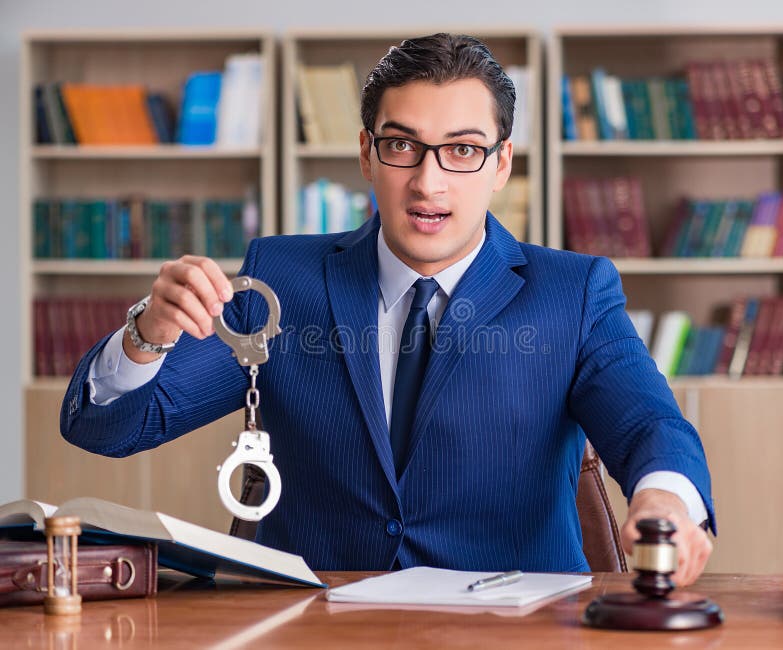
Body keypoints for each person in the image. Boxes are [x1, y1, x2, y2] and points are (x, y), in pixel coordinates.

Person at [62, 33, 714, 584]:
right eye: (402, 146)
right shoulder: (282, 279)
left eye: (462, 150)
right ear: (367, 155)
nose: (429, 182)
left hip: (515, 633)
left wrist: (666, 497)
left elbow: (647, 424)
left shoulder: (572, 292)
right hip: (314, 629)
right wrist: (147, 333)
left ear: (501, 164)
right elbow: (111, 428)